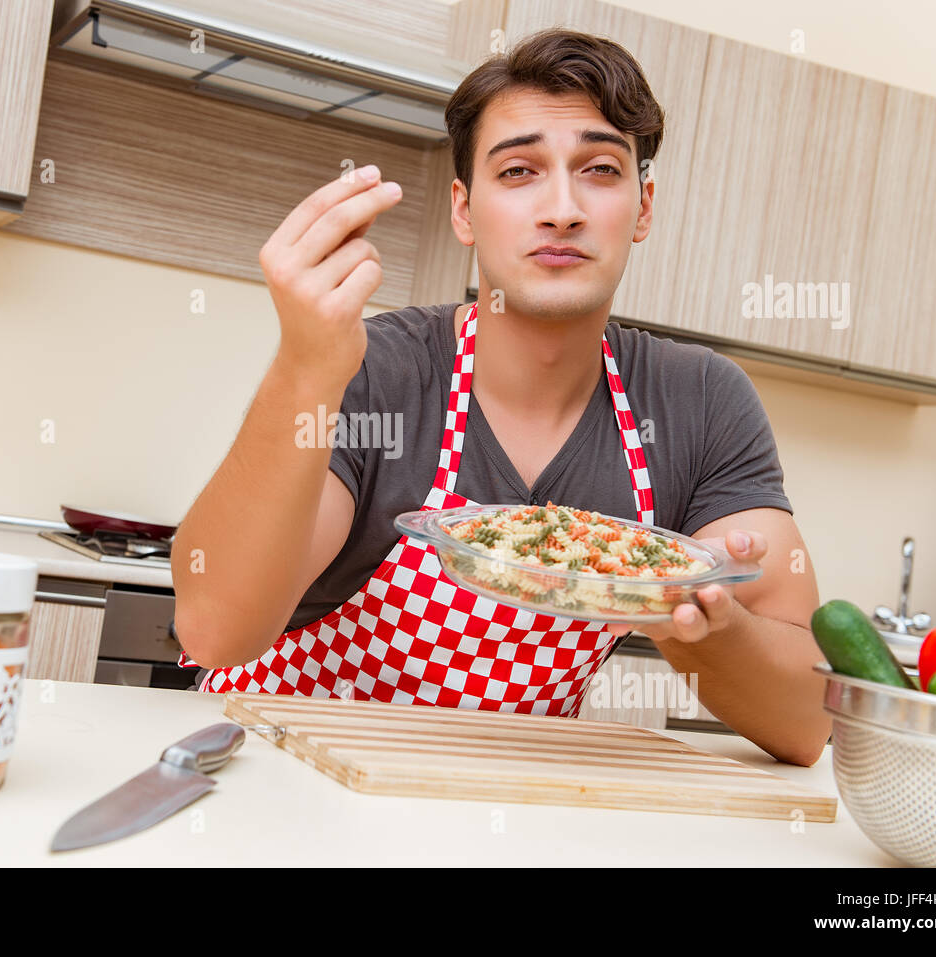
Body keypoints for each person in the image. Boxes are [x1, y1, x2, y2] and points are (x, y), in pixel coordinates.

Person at [170, 27, 830, 766]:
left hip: (511, 815)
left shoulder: (700, 402)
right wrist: (302, 366)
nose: (562, 208)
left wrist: (696, 617)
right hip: (283, 786)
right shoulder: (378, 369)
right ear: (463, 209)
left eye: (601, 169)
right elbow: (213, 630)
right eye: (519, 171)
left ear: (643, 208)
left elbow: (807, 724)